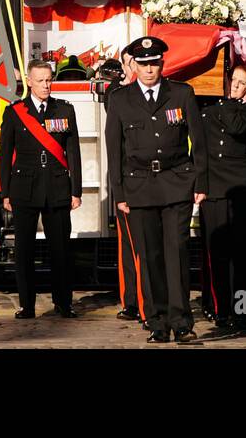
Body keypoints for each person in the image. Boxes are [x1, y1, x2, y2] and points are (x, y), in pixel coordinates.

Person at [105, 36, 207, 344]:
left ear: (162, 63)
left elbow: (198, 143)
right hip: (138, 187)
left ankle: (182, 322)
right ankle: (158, 322)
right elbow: (115, 149)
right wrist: (119, 194)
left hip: (176, 183)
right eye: (144, 64)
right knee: (148, 258)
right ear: (134, 65)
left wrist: (200, 183)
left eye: (155, 63)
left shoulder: (182, 93)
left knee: (176, 253)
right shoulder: (120, 99)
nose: (150, 70)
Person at [0, 60, 81, 319]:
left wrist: (75, 190)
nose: (46, 85)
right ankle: (27, 305)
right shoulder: (14, 112)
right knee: (24, 252)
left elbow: (73, 152)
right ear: (30, 81)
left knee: (61, 251)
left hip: (57, 187)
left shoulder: (64, 110)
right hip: (24, 188)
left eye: (49, 80)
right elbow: (5, 155)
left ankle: (63, 303)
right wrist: (5, 193)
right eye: (41, 81)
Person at [198, 66, 246, 330]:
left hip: (242, 186)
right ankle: (220, 309)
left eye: (241, 83)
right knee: (218, 254)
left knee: (242, 254)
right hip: (214, 186)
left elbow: (237, 126)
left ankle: (242, 310)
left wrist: (224, 99)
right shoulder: (207, 105)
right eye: (232, 81)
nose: (236, 86)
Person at [111, 53, 143, 324]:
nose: (138, 67)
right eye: (132, 62)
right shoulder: (119, 94)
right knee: (129, 249)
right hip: (130, 180)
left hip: (158, 183)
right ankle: (132, 302)